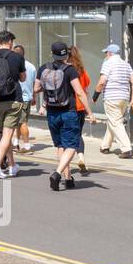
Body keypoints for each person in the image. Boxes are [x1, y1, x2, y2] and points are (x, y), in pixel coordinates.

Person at [36, 41, 92, 190]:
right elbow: (79, 92)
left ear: (51, 53)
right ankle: (58, 173)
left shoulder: (43, 68)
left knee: (61, 145)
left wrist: (49, 87)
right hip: (69, 112)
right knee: (72, 145)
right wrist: (90, 112)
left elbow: (36, 88)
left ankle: (68, 178)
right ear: (66, 54)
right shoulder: (70, 70)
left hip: (52, 113)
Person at [0, 31, 27, 179]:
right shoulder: (17, 57)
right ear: (10, 42)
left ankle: (12, 165)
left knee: (4, 136)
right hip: (13, 100)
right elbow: (23, 78)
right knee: (7, 135)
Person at [96, 43, 133, 159]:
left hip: (111, 98)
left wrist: (95, 96)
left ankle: (126, 149)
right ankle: (105, 146)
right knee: (114, 121)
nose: (105, 55)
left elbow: (102, 82)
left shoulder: (107, 63)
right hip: (124, 98)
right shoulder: (126, 65)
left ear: (110, 53)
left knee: (116, 123)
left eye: (106, 53)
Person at [69, 45, 94, 173]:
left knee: (69, 135)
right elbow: (86, 89)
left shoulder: (66, 70)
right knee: (78, 133)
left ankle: (67, 162)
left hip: (69, 107)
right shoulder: (81, 71)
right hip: (81, 107)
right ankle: (81, 157)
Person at [11, 44, 38, 153]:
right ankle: (16, 142)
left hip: (19, 99)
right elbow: (35, 83)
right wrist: (34, 97)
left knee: (22, 123)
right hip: (28, 98)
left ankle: (27, 146)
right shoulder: (31, 66)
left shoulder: (15, 65)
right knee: (20, 122)